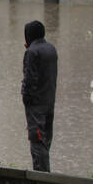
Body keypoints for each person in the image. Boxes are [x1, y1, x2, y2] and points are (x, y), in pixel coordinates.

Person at [21, 20, 58, 172]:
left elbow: (29, 79)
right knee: (46, 140)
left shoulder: (32, 52)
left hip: (36, 105)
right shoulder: (51, 49)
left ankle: (41, 177)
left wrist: (26, 98)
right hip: (49, 102)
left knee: (37, 142)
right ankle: (45, 176)